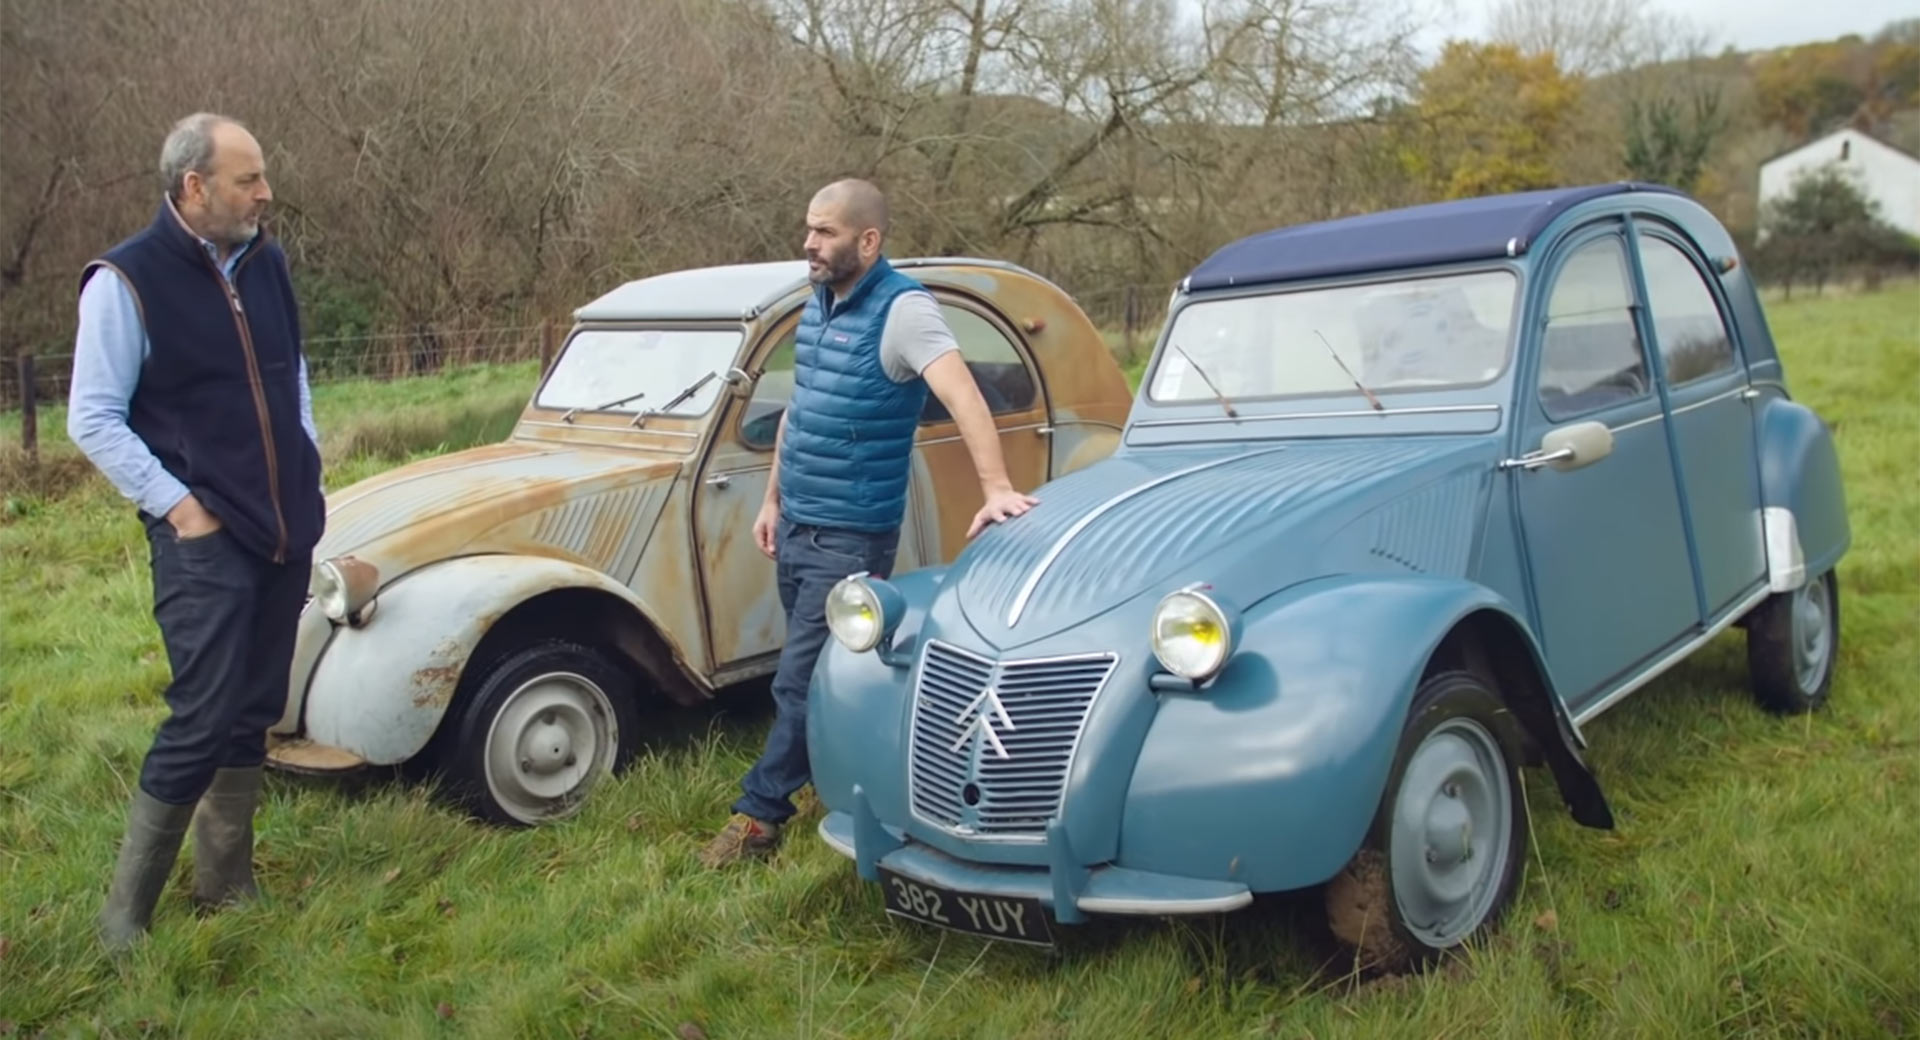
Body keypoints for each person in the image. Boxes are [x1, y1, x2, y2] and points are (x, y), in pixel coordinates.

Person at [698, 179, 1038, 867]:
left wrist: (997, 486)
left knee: (797, 678)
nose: (809, 243)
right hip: (799, 521)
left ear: (868, 240)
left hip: (851, 531)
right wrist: (772, 500)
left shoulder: (905, 311)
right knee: (815, 671)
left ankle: (758, 817)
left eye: (824, 232)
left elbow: (963, 395)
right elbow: (802, 409)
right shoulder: (818, 305)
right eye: (808, 229)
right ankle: (834, 778)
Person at [67, 112, 326, 949]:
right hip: (205, 541)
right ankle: (123, 922)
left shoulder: (267, 260)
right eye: (248, 179)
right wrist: (181, 507)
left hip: (286, 528)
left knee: (254, 708)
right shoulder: (126, 280)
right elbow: (93, 418)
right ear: (194, 187)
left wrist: (306, 456)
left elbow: (292, 373)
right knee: (201, 714)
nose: (265, 192)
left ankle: (227, 885)